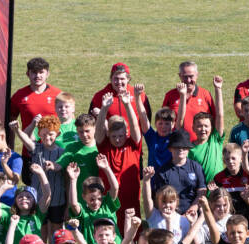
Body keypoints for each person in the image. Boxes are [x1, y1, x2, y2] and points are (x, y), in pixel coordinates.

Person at [10, 115, 66, 240]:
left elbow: (64, 169)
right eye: (44, 134)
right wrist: (17, 130)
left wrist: (55, 166)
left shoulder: (62, 152)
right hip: (39, 197)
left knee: (56, 226)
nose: (47, 137)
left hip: (57, 197)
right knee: (42, 225)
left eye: (51, 134)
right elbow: (26, 140)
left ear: (58, 134)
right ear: (39, 134)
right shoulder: (37, 149)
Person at [94, 90, 143, 230]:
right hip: (110, 200)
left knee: (133, 235)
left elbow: (134, 125)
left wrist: (127, 105)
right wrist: (104, 108)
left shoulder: (133, 144)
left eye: (121, 136)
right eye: (114, 136)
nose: (117, 139)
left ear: (126, 133)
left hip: (131, 199)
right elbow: (98, 131)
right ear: (108, 133)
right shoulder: (104, 145)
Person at [8, 57, 60, 161]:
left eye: (41, 72)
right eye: (34, 72)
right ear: (28, 73)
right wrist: (10, 148)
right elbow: (10, 124)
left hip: (55, 151)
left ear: (47, 74)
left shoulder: (57, 94)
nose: (38, 76)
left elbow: (68, 121)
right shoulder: (19, 95)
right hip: (30, 151)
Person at [88, 62, 152, 143]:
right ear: (111, 78)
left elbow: (147, 120)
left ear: (128, 79)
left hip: (132, 144)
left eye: (122, 79)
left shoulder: (139, 95)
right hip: (109, 145)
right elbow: (90, 124)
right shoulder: (100, 96)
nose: (119, 82)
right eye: (116, 78)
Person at [152, 130, 207, 213]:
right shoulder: (162, 172)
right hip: (170, 214)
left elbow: (202, 191)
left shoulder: (196, 167)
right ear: (170, 149)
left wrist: (193, 209)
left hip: (193, 213)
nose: (181, 149)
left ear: (189, 149)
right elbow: (159, 197)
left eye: (184, 147)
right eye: (177, 147)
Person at [162, 61, 215, 142]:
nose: (188, 80)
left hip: (200, 146)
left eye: (191, 76)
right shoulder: (170, 96)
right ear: (180, 76)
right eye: (185, 77)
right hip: (177, 146)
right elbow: (163, 121)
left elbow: (215, 119)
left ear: (197, 75)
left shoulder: (205, 95)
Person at [189, 75, 227, 182]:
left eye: (206, 126)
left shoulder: (215, 140)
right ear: (193, 128)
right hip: (200, 192)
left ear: (212, 128)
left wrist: (218, 89)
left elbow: (220, 115)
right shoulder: (190, 149)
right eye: (199, 126)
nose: (203, 129)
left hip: (218, 191)